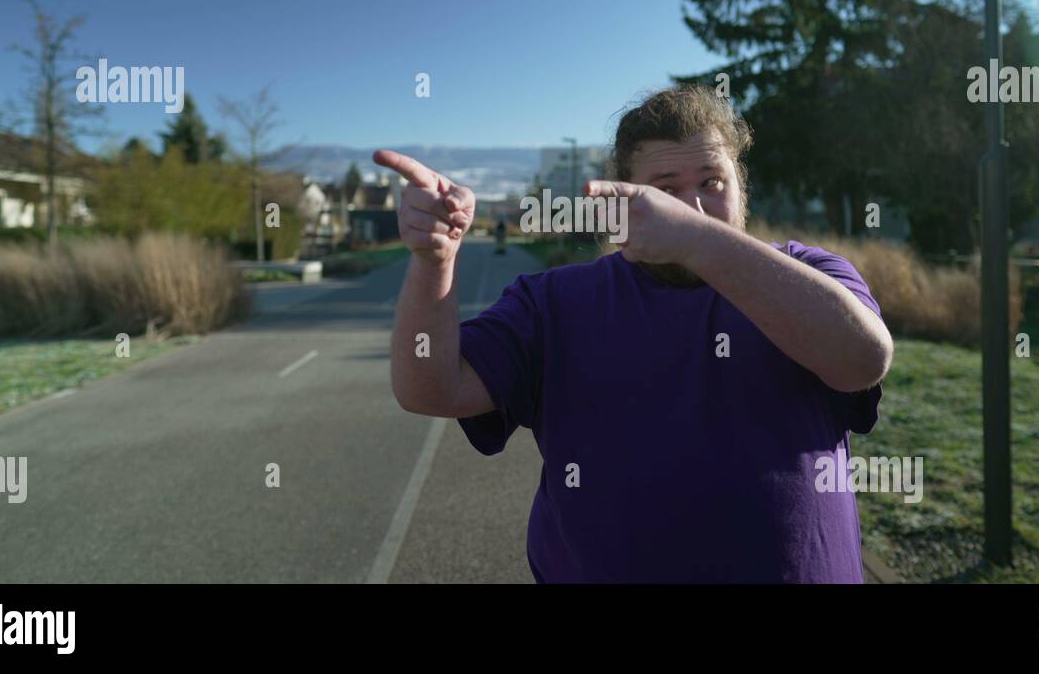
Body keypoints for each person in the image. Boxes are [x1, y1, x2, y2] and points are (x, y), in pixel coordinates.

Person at [374, 84, 893, 583]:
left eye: (712, 181)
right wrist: (433, 262)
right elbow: (430, 388)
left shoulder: (809, 274)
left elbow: (863, 360)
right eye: (665, 190)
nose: (691, 207)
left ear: (741, 185)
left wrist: (696, 241)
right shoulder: (554, 302)